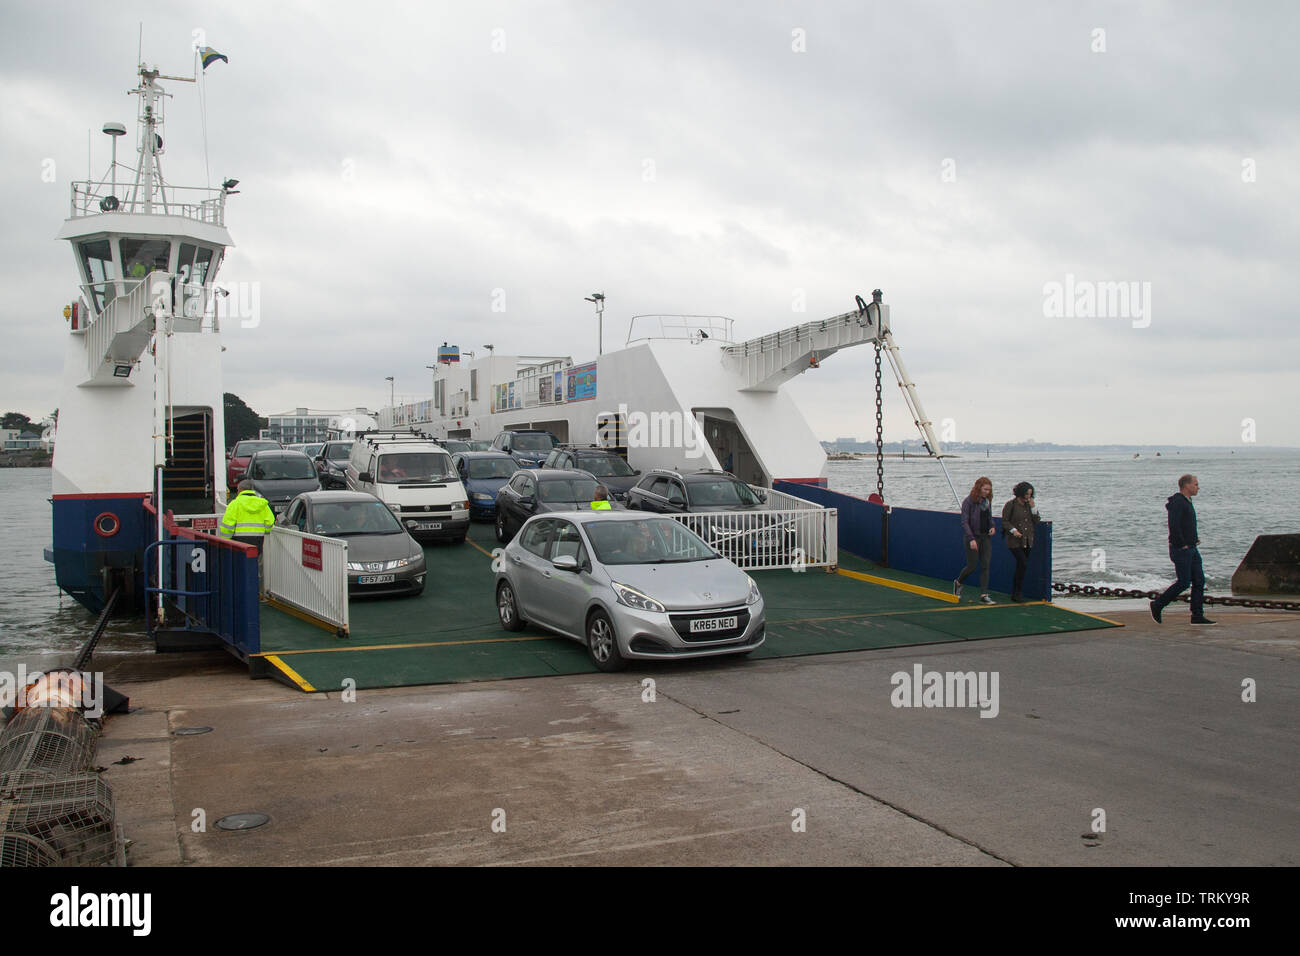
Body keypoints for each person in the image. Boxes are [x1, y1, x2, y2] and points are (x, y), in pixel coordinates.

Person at [1151, 475, 1215, 625]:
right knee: (1184, 582)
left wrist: (1194, 539)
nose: (1198, 487)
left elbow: (1186, 524)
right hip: (1181, 550)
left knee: (1199, 581)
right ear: (1187, 485)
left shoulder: (1187, 501)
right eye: (1196, 484)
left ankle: (1197, 615)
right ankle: (1158, 605)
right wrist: (1182, 544)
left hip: (1191, 548)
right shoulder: (1178, 502)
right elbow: (1174, 525)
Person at [954, 477, 997, 604]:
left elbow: (989, 517)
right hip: (973, 537)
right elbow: (964, 521)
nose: (987, 492)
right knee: (972, 565)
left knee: (985, 565)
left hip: (985, 537)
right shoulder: (968, 502)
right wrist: (971, 539)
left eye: (989, 490)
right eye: (985, 489)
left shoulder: (987, 502)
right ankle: (958, 582)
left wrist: (992, 526)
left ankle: (984, 594)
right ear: (979, 488)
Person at [1001, 481, 1040, 602]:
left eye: (1030, 494)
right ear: (1020, 493)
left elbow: (1037, 520)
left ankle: (1017, 592)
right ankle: (1016, 593)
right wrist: (1014, 530)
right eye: (1027, 494)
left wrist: (1034, 508)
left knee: (1021, 566)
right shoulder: (1010, 505)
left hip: (1028, 539)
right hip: (1014, 540)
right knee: (1022, 563)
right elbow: (1005, 521)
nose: (1029, 497)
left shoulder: (1029, 505)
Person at [218, 479, 275, 552]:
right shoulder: (263, 504)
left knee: (239, 562)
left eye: (237, 490)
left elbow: (227, 526)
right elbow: (269, 524)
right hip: (258, 540)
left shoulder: (235, 504)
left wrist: (225, 541)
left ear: (240, 489)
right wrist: (265, 532)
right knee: (254, 561)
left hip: (238, 541)